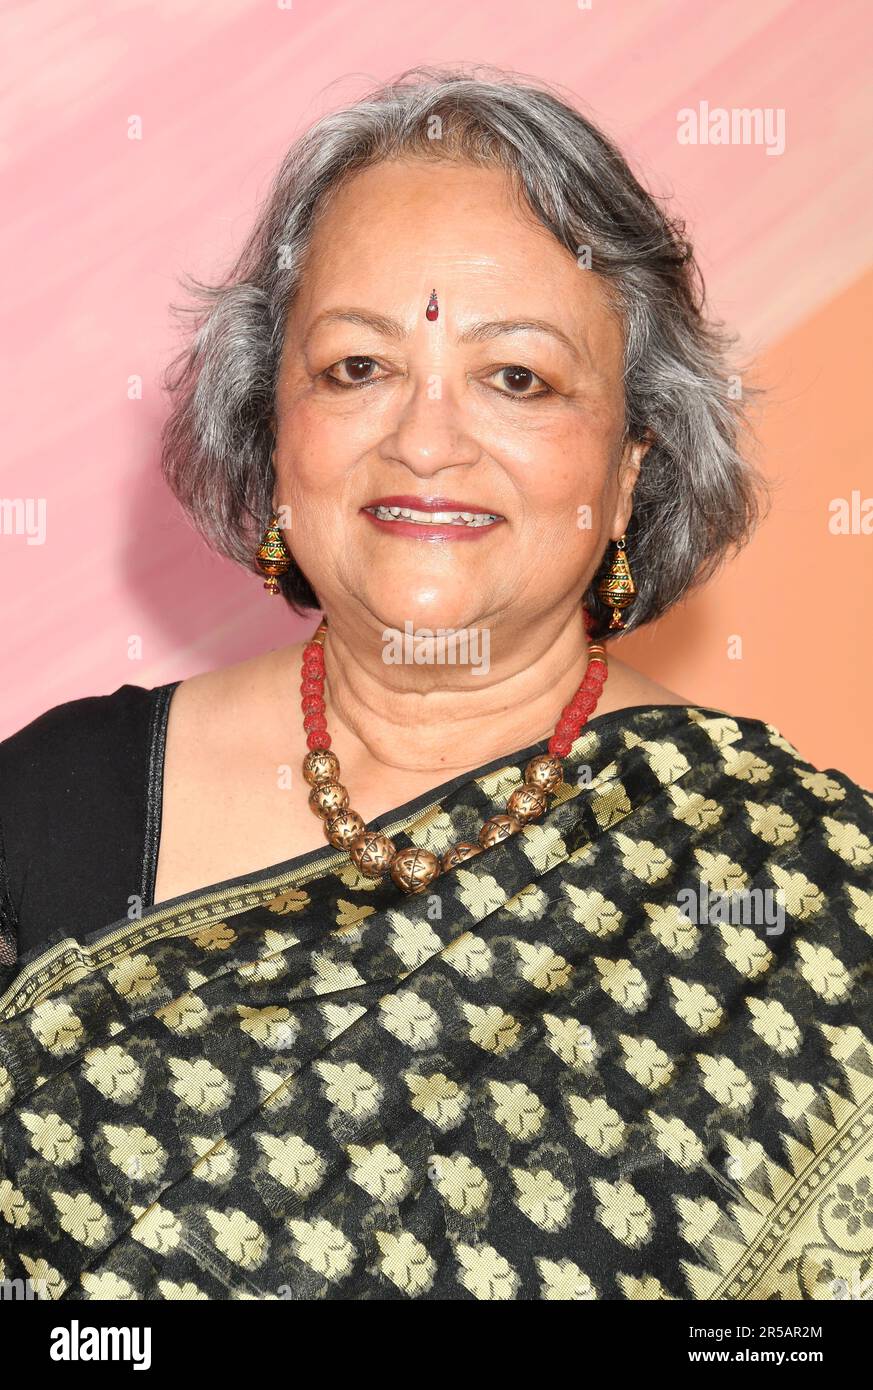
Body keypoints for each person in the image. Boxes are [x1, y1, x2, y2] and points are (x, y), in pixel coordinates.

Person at [1, 67, 870, 1302]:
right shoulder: (42, 805)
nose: (424, 440)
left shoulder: (790, 888)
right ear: (271, 429)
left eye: (517, 378)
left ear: (628, 475)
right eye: (358, 367)